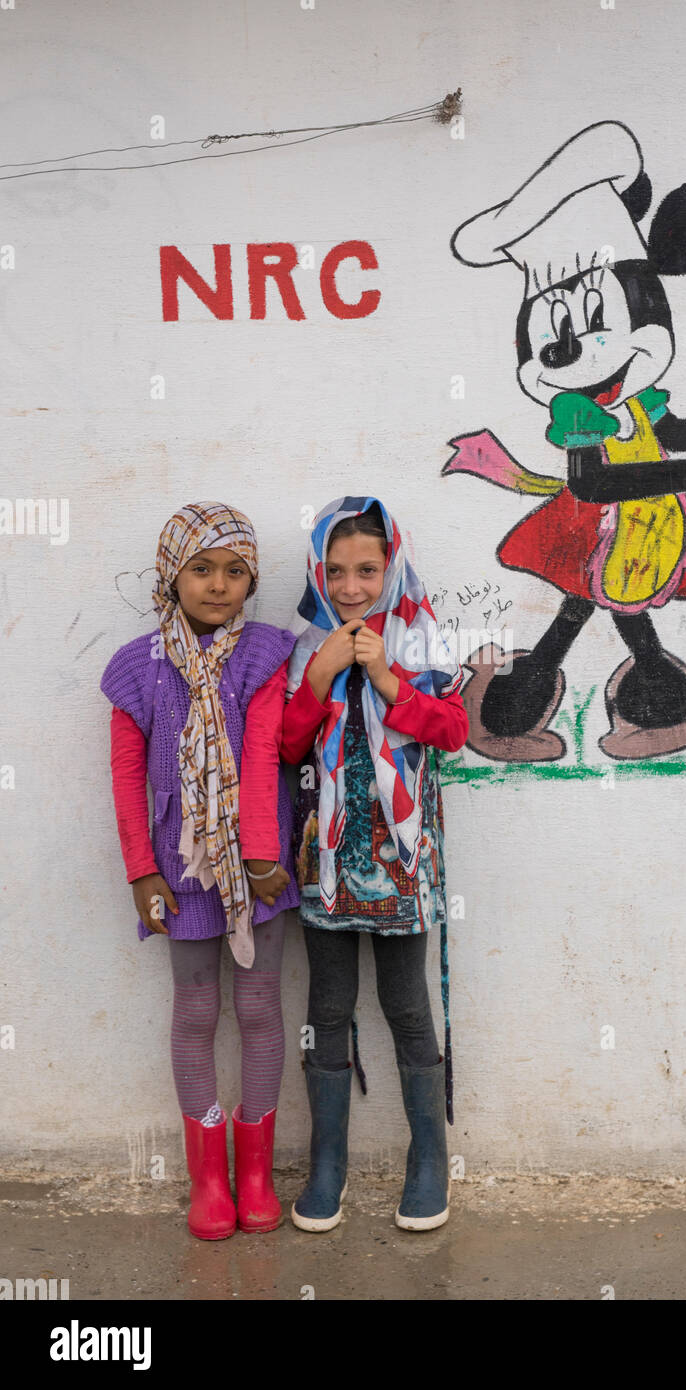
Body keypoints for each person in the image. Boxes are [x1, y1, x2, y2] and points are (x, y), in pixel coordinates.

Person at [99, 502, 300, 1240]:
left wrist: (257, 854)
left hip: (261, 870)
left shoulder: (266, 654)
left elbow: (262, 753)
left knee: (258, 1009)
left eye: (235, 571)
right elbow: (126, 777)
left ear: (251, 581)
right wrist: (140, 871)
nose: (218, 585)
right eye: (202, 568)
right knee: (194, 1013)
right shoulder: (135, 668)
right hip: (178, 877)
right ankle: (209, 1179)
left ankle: (254, 1174)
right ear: (172, 574)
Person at [281, 496, 469, 1232]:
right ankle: (328, 1164)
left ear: (392, 566)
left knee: (406, 1007)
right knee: (327, 1009)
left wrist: (389, 680)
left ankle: (428, 1161)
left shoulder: (420, 639)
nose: (350, 587)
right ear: (316, 574)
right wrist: (320, 677)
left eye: (366, 569)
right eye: (334, 571)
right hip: (325, 859)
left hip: (402, 858)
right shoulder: (306, 647)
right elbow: (286, 748)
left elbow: (451, 731)